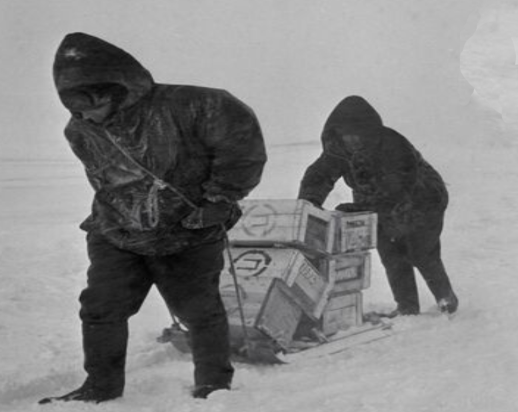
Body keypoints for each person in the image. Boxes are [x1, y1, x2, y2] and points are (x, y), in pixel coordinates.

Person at [41, 33, 266, 404]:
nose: (81, 115)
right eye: (72, 106)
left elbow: (241, 150)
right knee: (99, 308)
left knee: (199, 311)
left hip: (188, 229)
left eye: (87, 103)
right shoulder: (78, 130)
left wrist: (220, 198)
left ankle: (214, 387)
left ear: (112, 88)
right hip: (117, 231)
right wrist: (115, 218)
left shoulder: (199, 104)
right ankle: (100, 387)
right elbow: (105, 180)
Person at [298, 96, 458, 317]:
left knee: (422, 252)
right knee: (391, 254)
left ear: (368, 132)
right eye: (346, 135)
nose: (352, 140)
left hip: (423, 199)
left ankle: (446, 298)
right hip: (376, 203)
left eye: (357, 134)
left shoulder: (393, 143)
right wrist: (309, 203)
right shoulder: (338, 151)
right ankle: (407, 307)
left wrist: (363, 208)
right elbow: (319, 176)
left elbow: (398, 185)